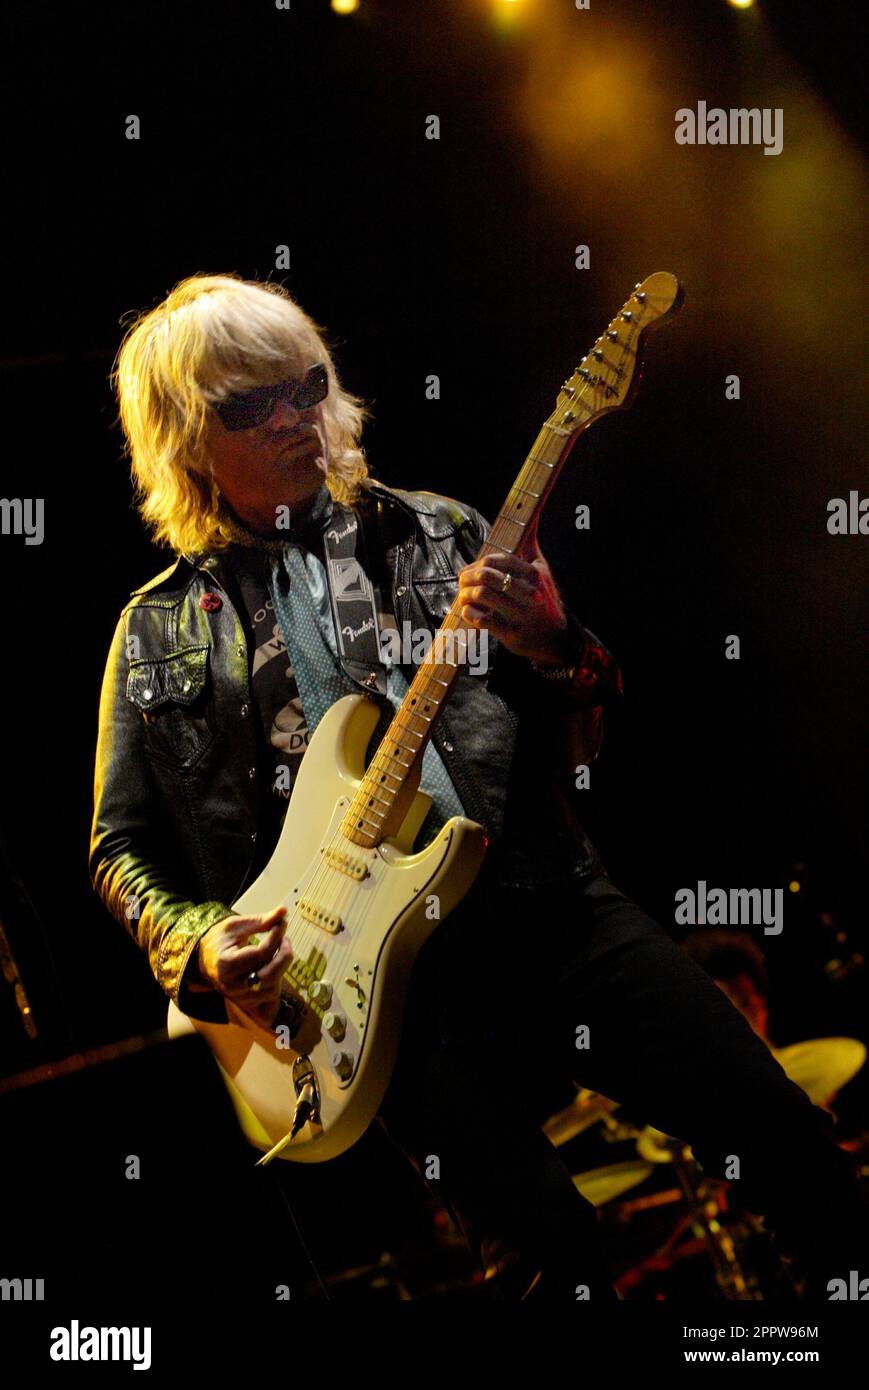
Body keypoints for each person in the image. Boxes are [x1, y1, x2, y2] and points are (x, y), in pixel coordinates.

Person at [90, 273, 867, 1299]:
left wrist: (554, 644)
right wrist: (197, 944)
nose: (294, 418)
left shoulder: (442, 534)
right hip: (380, 998)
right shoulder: (156, 629)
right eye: (250, 404)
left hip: (548, 914)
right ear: (186, 438)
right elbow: (118, 847)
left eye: (307, 385)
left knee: (795, 1152)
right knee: (554, 1266)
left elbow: (585, 737)